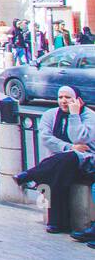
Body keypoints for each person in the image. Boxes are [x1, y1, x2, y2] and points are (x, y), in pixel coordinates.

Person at [14, 85, 95, 237]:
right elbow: (46, 138)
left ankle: (30, 175)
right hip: (61, 162)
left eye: (68, 98)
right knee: (59, 173)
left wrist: (74, 115)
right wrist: (70, 147)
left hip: (88, 161)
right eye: (60, 97)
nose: (64, 101)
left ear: (78, 100)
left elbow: (80, 138)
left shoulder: (89, 116)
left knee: (68, 159)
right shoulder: (50, 115)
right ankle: (57, 223)